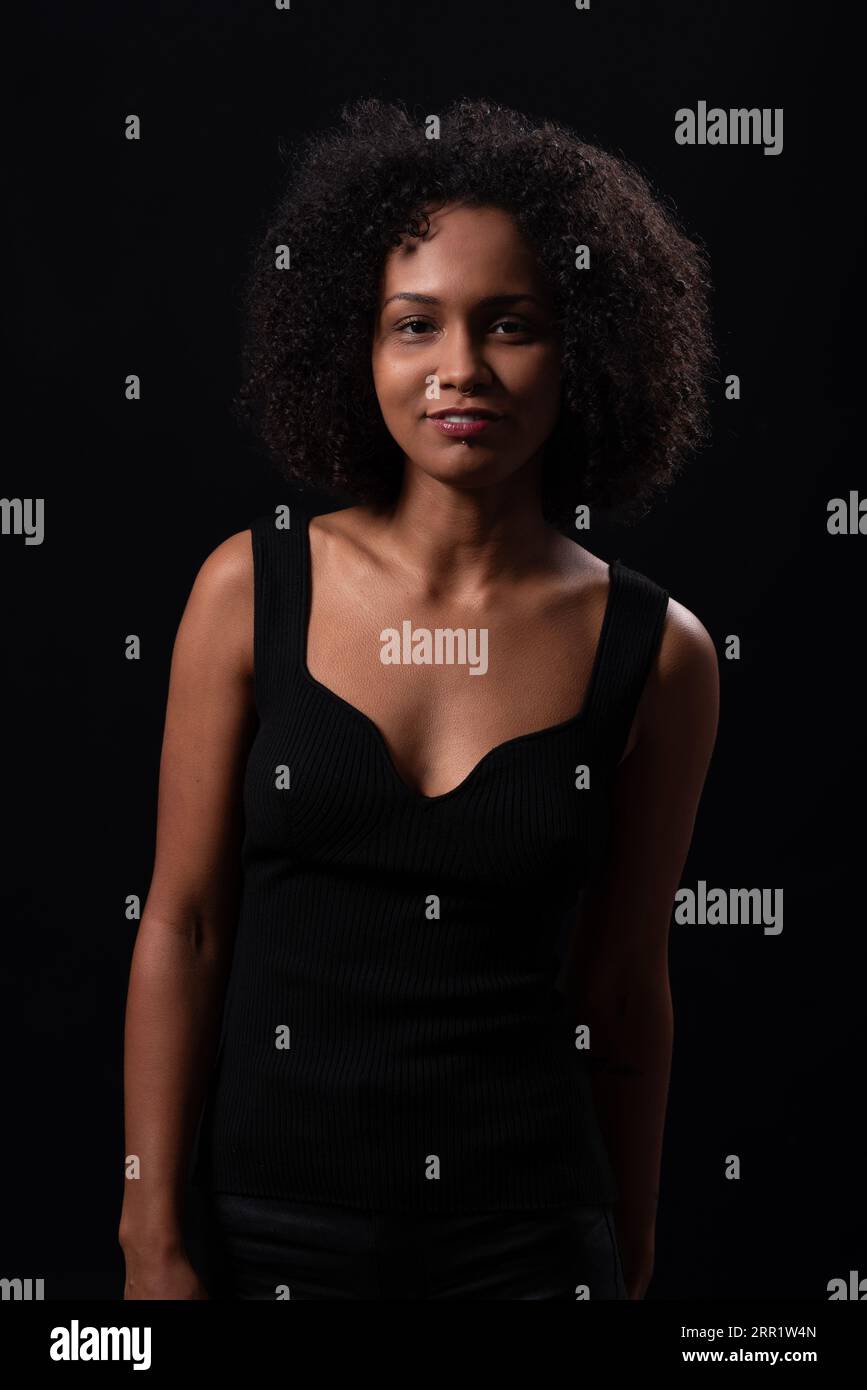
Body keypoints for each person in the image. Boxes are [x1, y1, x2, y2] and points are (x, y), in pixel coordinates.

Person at [119, 97, 719, 1301]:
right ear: (358, 346)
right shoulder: (250, 589)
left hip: (532, 1243)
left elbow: (623, 986)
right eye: (414, 325)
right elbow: (182, 927)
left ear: (586, 349)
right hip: (263, 1234)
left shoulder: (660, 653)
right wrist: (151, 1233)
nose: (460, 369)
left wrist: (634, 1247)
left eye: (512, 325)